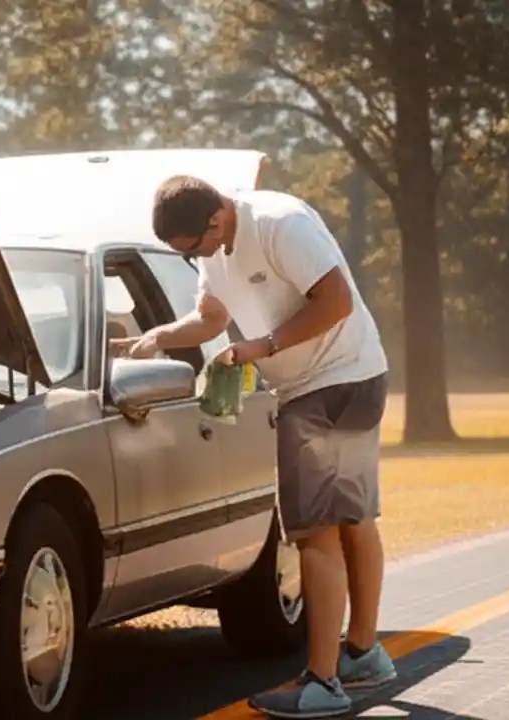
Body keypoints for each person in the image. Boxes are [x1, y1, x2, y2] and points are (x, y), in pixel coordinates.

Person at [120, 175, 397, 718]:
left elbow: (335, 300)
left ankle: (323, 682)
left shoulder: (279, 224)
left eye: (193, 248)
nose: (194, 257)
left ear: (216, 220)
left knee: (315, 532)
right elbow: (211, 317)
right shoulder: (212, 250)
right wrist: (158, 338)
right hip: (344, 380)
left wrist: (259, 348)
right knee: (353, 519)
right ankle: (363, 655)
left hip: (332, 383)